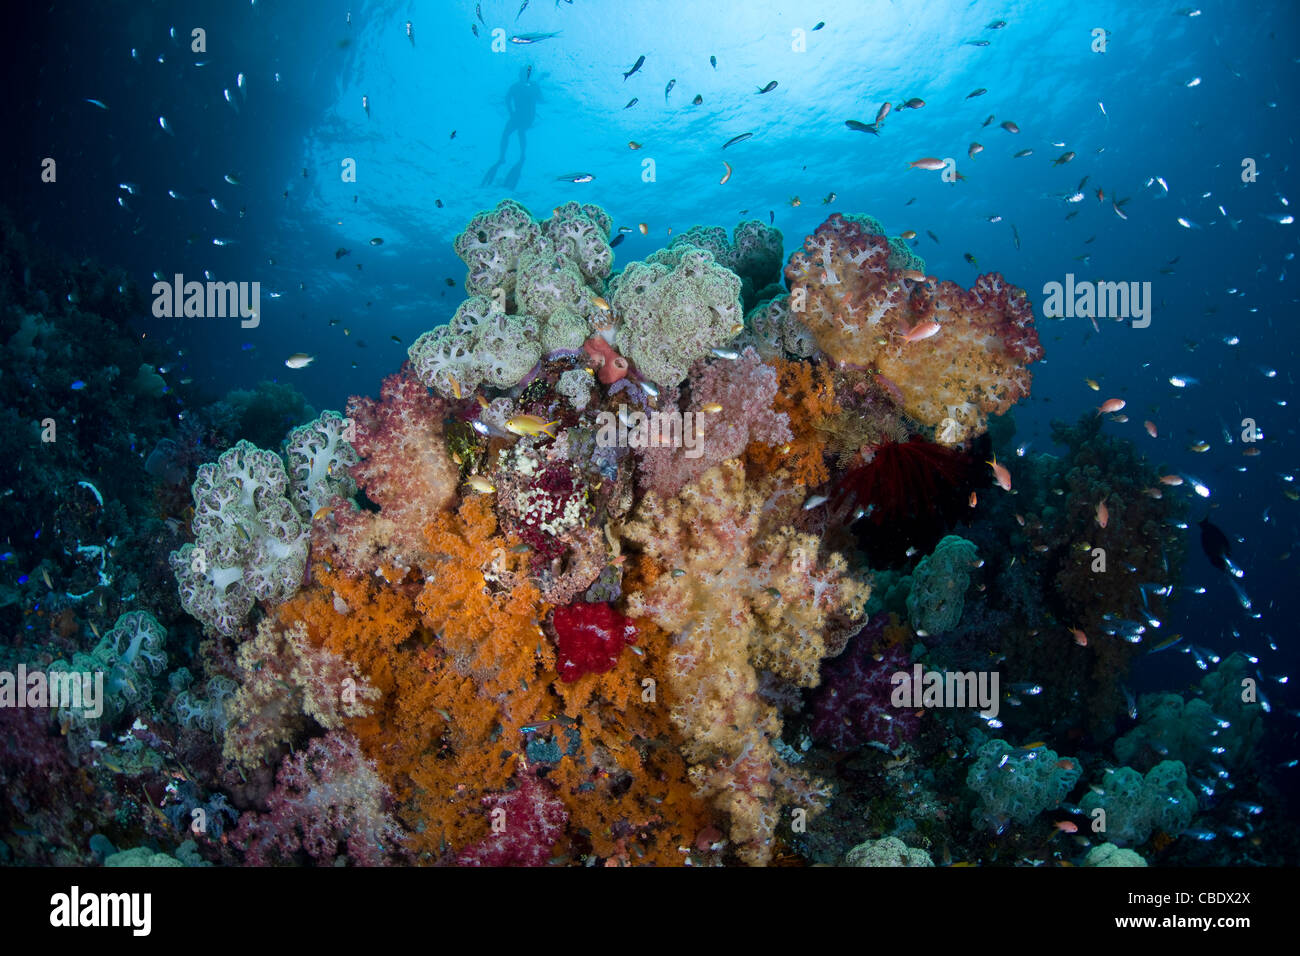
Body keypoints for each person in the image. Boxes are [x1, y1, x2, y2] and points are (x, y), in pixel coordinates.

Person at [482, 66, 541, 189]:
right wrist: (511, 112)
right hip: (520, 115)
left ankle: (518, 156)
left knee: (519, 132)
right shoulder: (520, 86)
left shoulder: (525, 86)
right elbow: (508, 100)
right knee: (511, 133)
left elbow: (508, 100)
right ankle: (504, 157)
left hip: (525, 115)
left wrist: (539, 83)